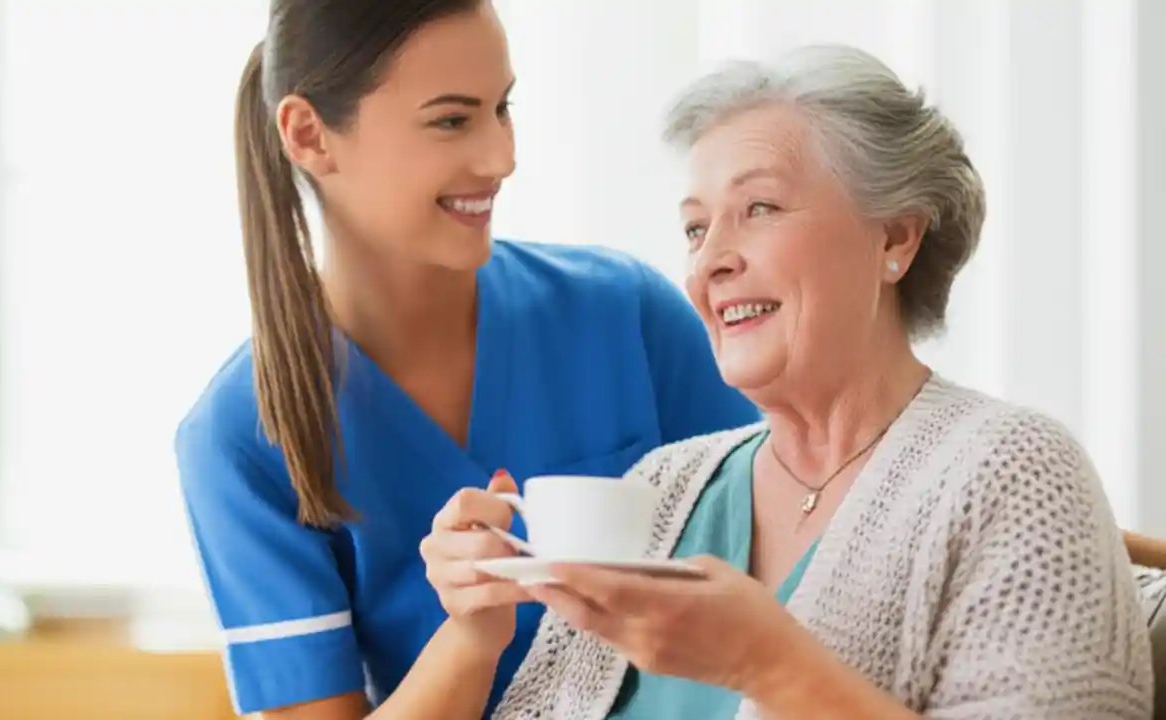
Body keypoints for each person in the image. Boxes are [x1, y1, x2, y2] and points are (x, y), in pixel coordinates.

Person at [423, 45, 1154, 719]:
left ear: (896, 238)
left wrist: (771, 667)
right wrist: (477, 631)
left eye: (760, 209)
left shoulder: (1015, 474)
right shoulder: (666, 485)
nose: (710, 262)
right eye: (694, 229)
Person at [173, 1, 759, 718]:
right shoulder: (237, 437)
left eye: (502, 108)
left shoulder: (626, 313)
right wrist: (472, 636)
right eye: (451, 120)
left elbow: (795, 569)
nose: (501, 158)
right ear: (309, 135)